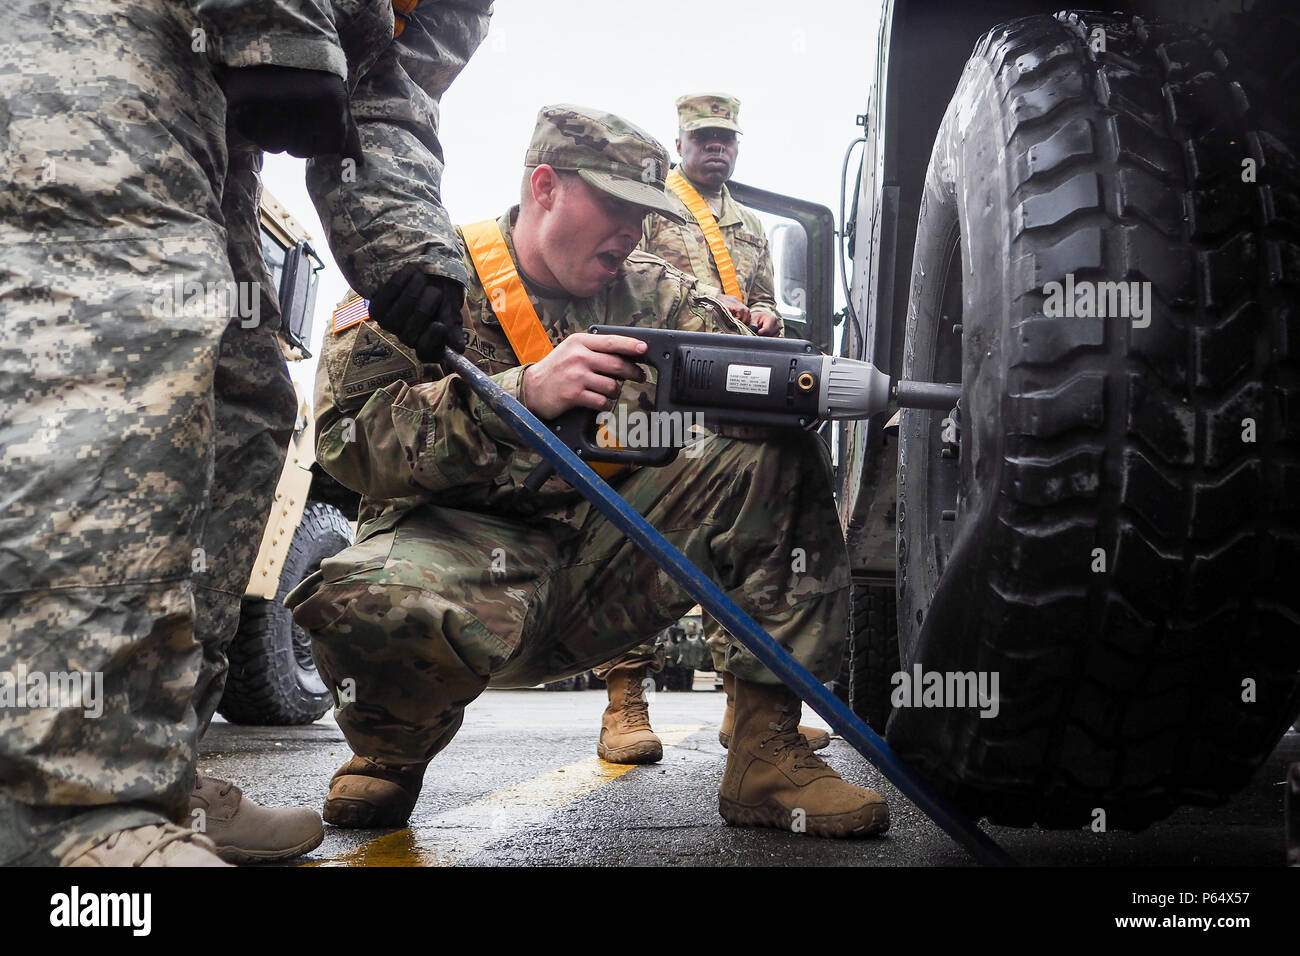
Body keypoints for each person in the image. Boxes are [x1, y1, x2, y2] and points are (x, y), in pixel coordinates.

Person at [287, 105, 890, 839]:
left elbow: (764, 377)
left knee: (772, 447)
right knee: (372, 602)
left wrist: (790, 368)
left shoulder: (655, 290)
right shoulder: (421, 277)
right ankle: (390, 750)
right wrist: (520, 396)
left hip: (603, 572)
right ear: (544, 187)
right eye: (616, 207)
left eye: (646, 214)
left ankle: (765, 750)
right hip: (460, 561)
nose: (632, 233)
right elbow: (348, 443)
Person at [0, 0, 490, 867]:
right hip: (105, 35)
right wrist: (277, 19)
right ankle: (66, 806)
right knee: (131, 330)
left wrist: (412, 253)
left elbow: (385, 91)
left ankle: (156, 776)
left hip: (219, 115)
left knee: (243, 400)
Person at [592, 93, 830, 763]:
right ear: (681, 140)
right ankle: (624, 703)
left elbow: (761, 303)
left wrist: (764, 318)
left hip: (725, 395)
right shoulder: (647, 204)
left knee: (743, 540)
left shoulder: (751, 227)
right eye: (703, 137)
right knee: (631, 533)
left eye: (725, 137)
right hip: (646, 391)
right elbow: (615, 281)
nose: (715, 148)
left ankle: (744, 704)